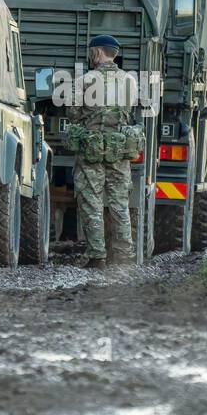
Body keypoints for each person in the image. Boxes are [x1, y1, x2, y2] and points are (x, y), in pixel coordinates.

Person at [68, 35, 138, 268]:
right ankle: (124, 256)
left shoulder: (85, 80)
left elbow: (73, 114)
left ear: (97, 52)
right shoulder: (130, 81)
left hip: (92, 150)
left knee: (91, 202)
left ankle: (97, 256)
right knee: (120, 203)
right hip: (119, 149)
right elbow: (129, 111)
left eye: (92, 52)